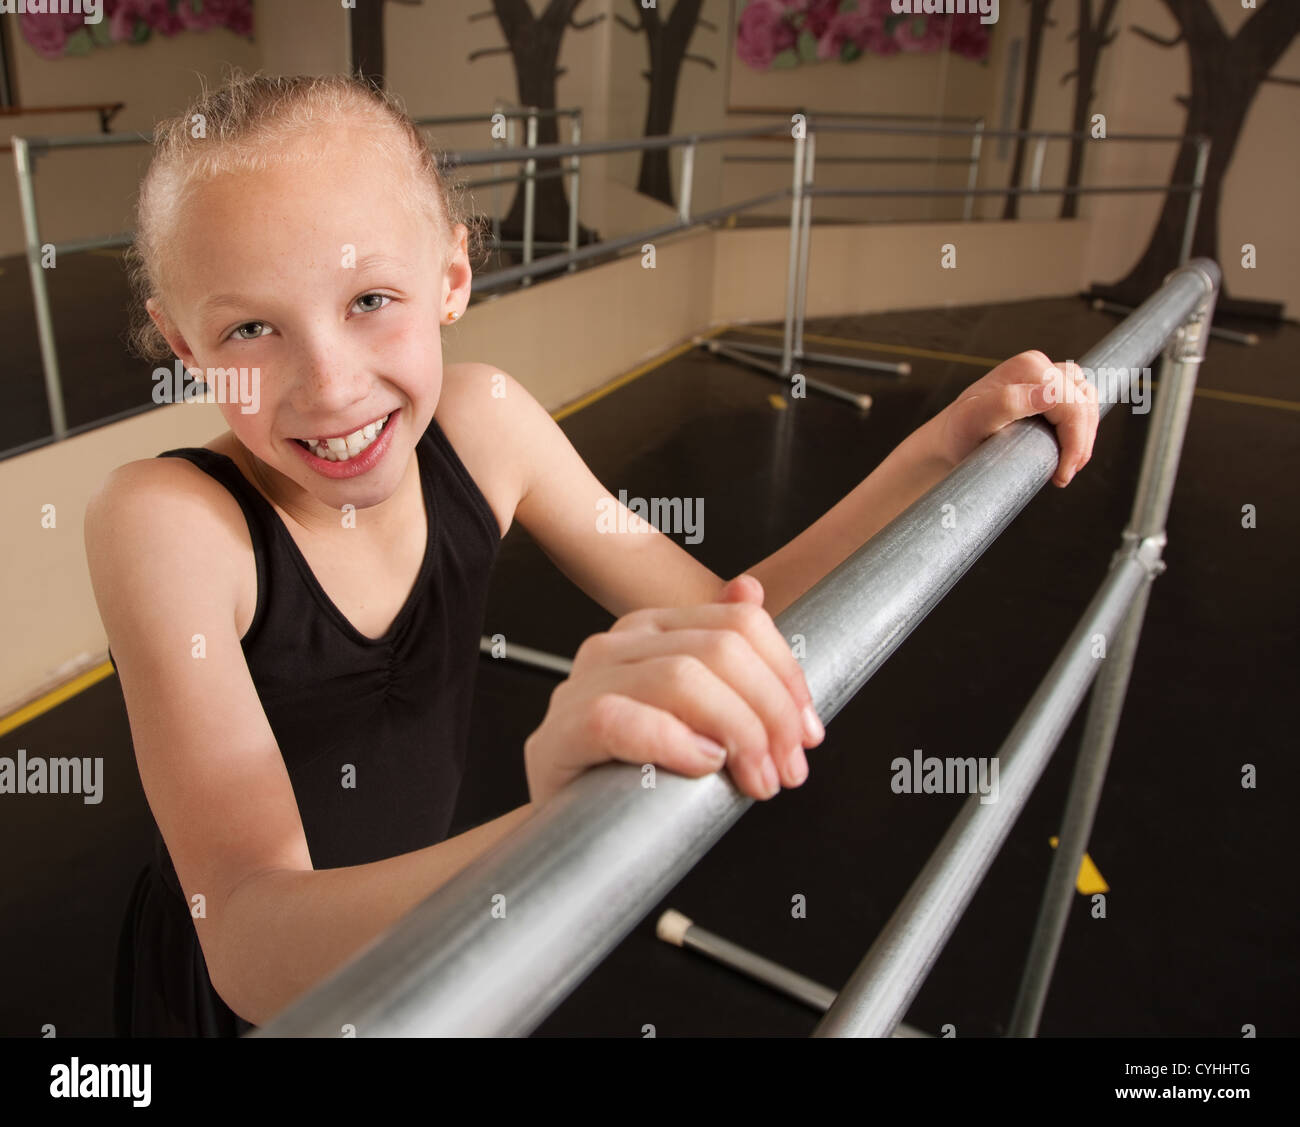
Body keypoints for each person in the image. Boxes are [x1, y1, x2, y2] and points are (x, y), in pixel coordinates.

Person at [85, 70, 1098, 1037]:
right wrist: (562, 821)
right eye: (252, 328)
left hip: (429, 925)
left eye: (368, 300)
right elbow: (251, 937)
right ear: (186, 349)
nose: (329, 384)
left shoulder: (486, 426)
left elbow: (732, 611)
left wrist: (936, 453)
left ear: (450, 274)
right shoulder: (169, 522)